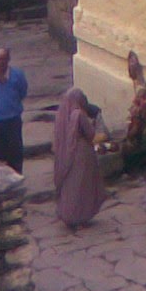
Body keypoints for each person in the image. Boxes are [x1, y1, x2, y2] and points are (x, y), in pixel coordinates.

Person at [53, 87, 107, 229]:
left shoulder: (63, 115)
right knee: (82, 188)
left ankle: (67, 215)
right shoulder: (79, 115)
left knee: (70, 187)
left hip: (67, 155)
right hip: (82, 154)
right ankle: (80, 217)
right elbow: (90, 134)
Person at [0, 46, 28, 174]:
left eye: (4, 59)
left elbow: (23, 92)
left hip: (13, 118)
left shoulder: (17, 75)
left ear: (8, 60)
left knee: (15, 153)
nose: (1, 62)